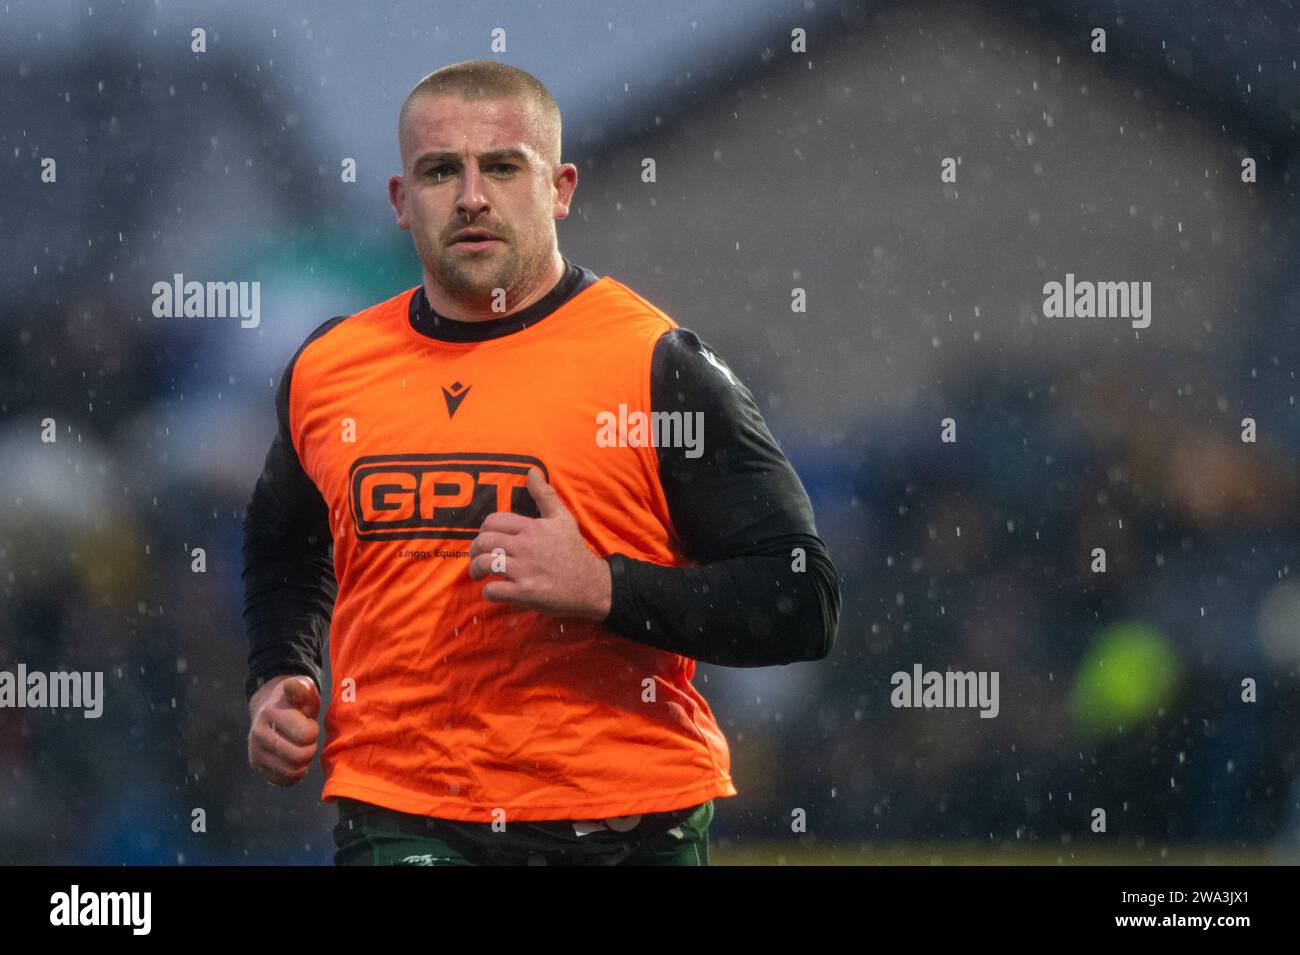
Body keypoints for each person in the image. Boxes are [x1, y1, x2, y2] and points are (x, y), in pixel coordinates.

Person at [241, 59, 840, 866]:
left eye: (502, 167)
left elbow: (803, 597)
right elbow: (285, 540)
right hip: (404, 814)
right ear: (399, 201)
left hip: (622, 822)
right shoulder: (328, 366)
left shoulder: (655, 365)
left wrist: (604, 587)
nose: (471, 197)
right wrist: (279, 672)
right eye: (440, 170)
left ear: (559, 188)